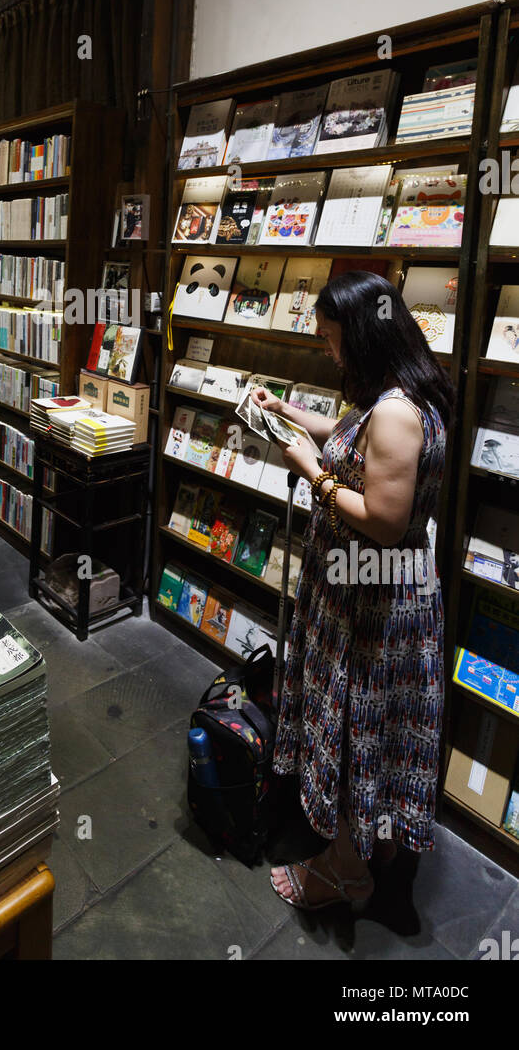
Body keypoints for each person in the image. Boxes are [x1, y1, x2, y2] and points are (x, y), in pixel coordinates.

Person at [251, 269, 454, 911]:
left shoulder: (394, 414)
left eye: (334, 339)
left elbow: (386, 523)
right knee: (382, 732)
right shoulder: (397, 394)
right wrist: (290, 414)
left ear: (364, 337)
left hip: (370, 603)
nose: (328, 350)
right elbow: (351, 440)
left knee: (353, 727)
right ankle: (377, 842)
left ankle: (343, 871)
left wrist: (312, 473)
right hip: (371, 597)